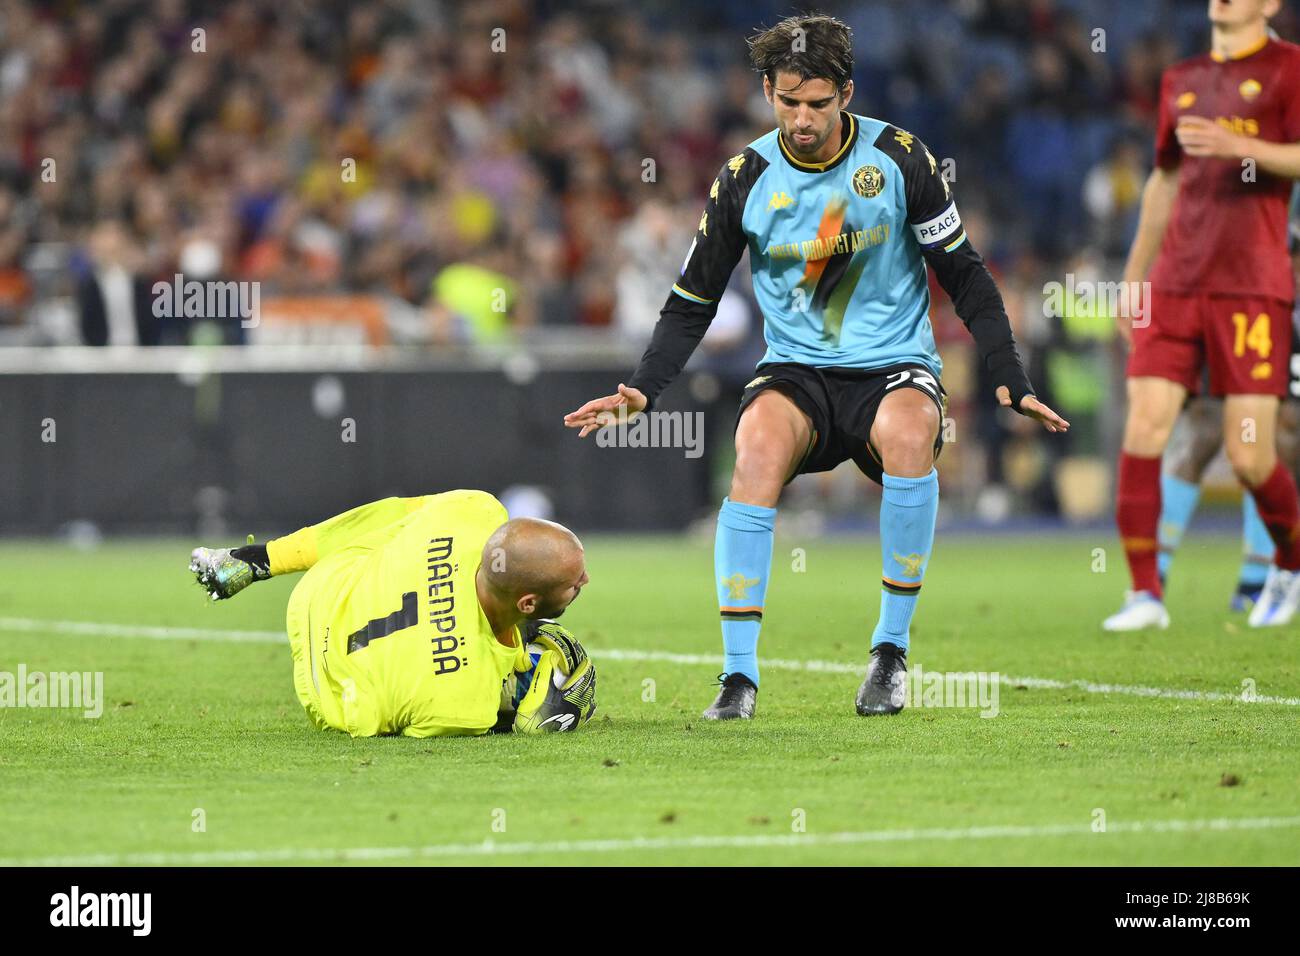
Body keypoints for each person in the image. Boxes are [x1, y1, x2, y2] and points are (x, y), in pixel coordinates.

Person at [564, 14, 1067, 720]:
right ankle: (738, 679)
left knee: (907, 435)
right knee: (756, 449)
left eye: (819, 105)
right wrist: (645, 389)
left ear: (847, 95)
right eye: (789, 102)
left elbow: (968, 276)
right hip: (797, 370)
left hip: (894, 366)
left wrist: (1008, 372)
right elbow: (691, 301)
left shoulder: (900, 158)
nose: (803, 119)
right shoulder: (743, 177)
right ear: (768, 91)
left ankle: (889, 655)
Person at [1106, 0, 1300, 631]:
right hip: (1176, 284)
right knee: (1146, 426)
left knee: (1250, 456)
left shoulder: (1288, 68)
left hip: (1250, 287)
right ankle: (1144, 595)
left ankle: (1290, 565)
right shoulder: (1182, 78)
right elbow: (1163, 182)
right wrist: (1134, 277)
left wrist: (1240, 143)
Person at [189, 490, 597, 737]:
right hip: (324, 692)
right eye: (574, 582)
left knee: (398, 524)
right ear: (527, 603)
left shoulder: (475, 513)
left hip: (318, 594)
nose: (585, 581)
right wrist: (552, 710)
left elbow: (383, 513)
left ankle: (261, 559)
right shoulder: (466, 704)